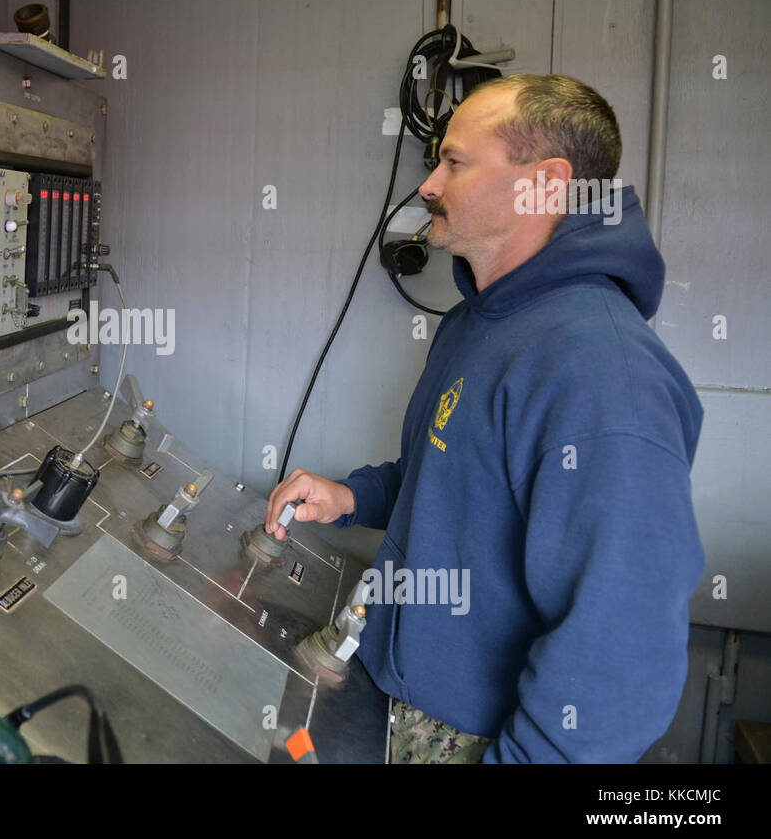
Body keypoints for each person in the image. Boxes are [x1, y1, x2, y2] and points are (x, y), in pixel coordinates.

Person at [266, 74, 704, 763]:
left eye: (454, 162)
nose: (428, 185)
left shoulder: (603, 371)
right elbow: (458, 480)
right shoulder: (477, 322)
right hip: (392, 697)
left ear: (545, 184)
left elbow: (622, 653)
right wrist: (353, 497)